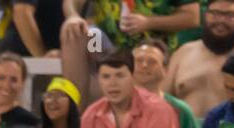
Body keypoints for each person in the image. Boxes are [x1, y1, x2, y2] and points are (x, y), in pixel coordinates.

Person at [60, 0, 200, 104]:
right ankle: (73, 115)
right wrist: (72, 16)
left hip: (152, 49)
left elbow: (192, 17)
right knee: (78, 32)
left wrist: (149, 22)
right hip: (106, 51)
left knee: (147, 56)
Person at [132, 39, 197, 128]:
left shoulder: (181, 111)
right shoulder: (111, 108)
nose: (144, 65)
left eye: (152, 62)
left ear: (166, 70)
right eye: (138, 61)